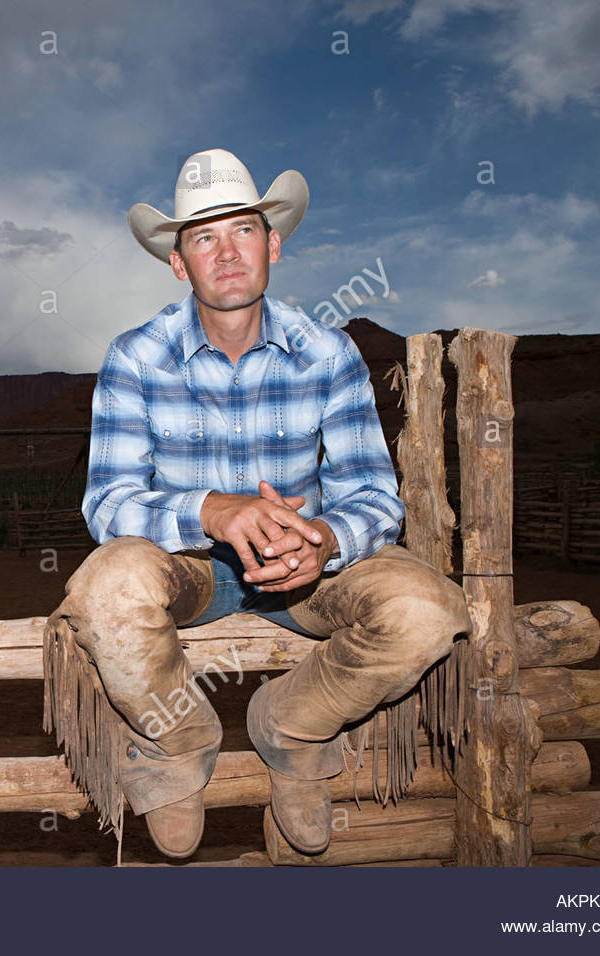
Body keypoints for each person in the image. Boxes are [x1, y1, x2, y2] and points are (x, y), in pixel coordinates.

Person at [44, 148, 470, 859]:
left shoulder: (327, 353)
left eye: (242, 231)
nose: (227, 252)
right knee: (104, 589)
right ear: (178, 263)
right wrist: (212, 511)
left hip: (306, 570)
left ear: (274, 245)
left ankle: (295, 728)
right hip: (192, 568)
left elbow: (373, 493)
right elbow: (109, 505)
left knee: (428, 610)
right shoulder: (135, 357)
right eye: (203, 237)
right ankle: (180, 741)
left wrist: (325, 539)